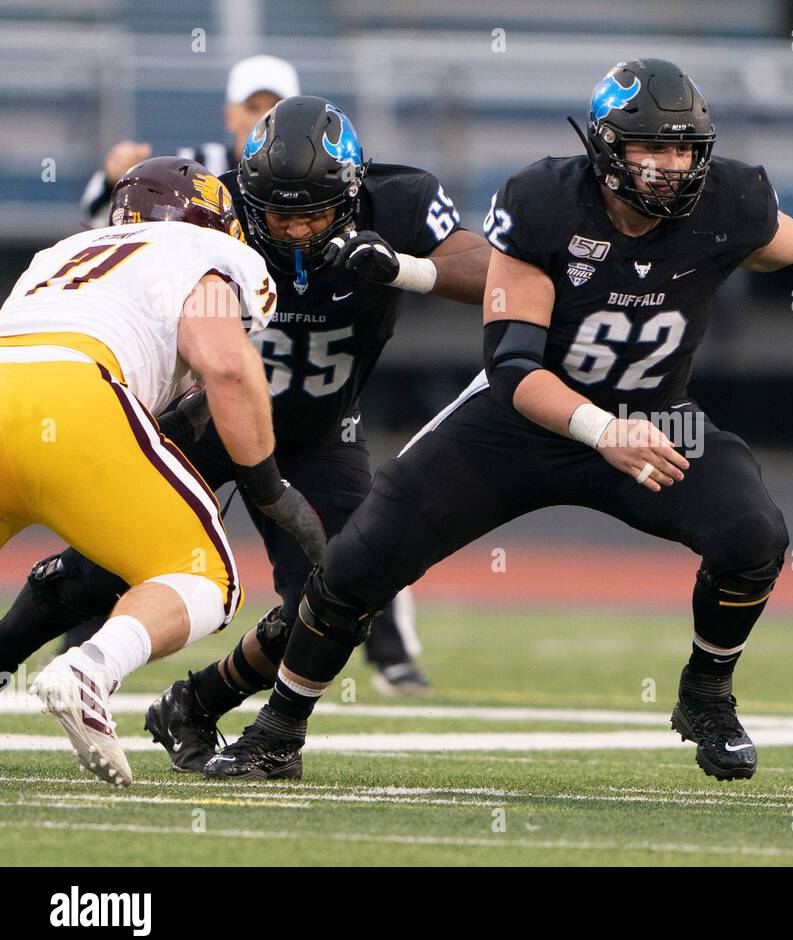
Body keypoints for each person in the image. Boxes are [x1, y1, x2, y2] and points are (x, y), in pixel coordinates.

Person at [203, 58, 793, 782]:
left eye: (682, 149)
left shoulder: (729, 201)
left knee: (754, 534)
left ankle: (707, 692)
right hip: (521, 422)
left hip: (656, 417)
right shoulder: (543, 203)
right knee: (358, 563)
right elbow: (512, 370)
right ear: (606, 149)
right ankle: (278, 731)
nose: (669, 166)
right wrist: (604, 432)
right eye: (649, 147)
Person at [0, 97, 490, 774]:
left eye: (313, 211)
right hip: (207, 414)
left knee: (344, 591)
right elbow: (136, 258)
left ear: (352, 193)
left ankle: (204, 705)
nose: (292, 229)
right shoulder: (214, 212)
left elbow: (499, 275)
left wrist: (406, 267)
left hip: (319, 430)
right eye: (278, 212)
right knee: (111, 563)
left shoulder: (399, 202)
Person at [0, 156, 323, 787]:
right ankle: (91, 667)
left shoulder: (62, 253)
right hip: (74, 392)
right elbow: (226, 366)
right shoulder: (203, 251)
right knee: (204, 576)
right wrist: (267, 487)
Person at [81, 55, 301, 227]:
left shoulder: (317, 169)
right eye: (252, 108)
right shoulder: (195, 164)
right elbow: (98, 214)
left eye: (276, 108)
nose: (264, 117)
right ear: (230, 116)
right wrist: (116, 177)